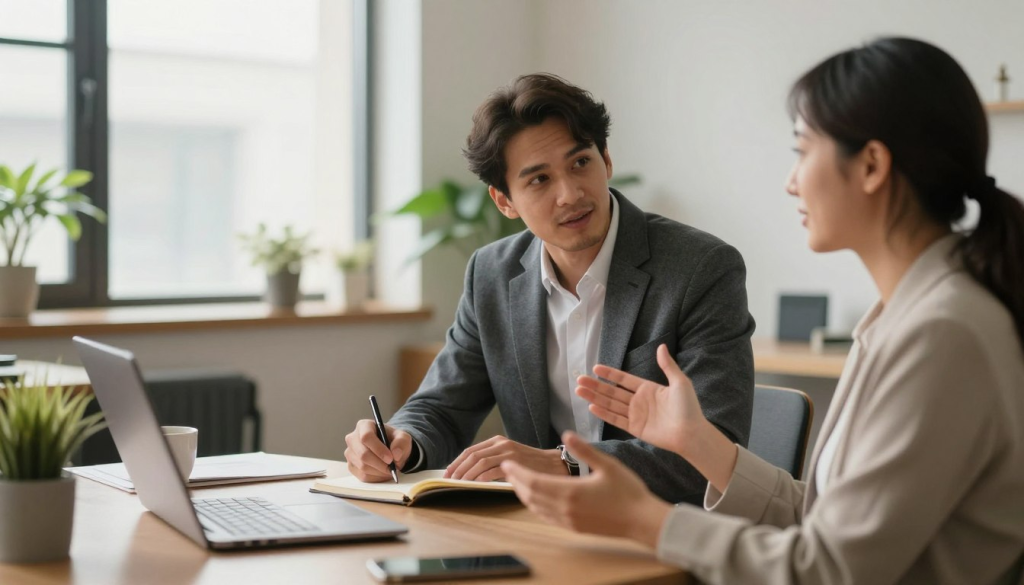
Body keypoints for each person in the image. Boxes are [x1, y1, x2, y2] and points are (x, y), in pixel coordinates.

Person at [501, 37, 1024, 584]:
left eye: (802, 151)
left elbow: (830, 569)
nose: (791, 180)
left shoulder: (943, 334)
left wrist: (645, 520)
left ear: (871, 165)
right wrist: (697, 442)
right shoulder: (914, 314)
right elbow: (826, 522)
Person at [344, 73, 756, 504]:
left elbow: (713, 449)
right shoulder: (491, 274)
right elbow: (442, 407)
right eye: (539, 180)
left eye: (580, 163)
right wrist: (401, 440)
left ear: (607, 161)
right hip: (542, 528)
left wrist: (566, 463)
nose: (570, 194)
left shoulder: (700, 268)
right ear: (504, 201)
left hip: (666, 530)